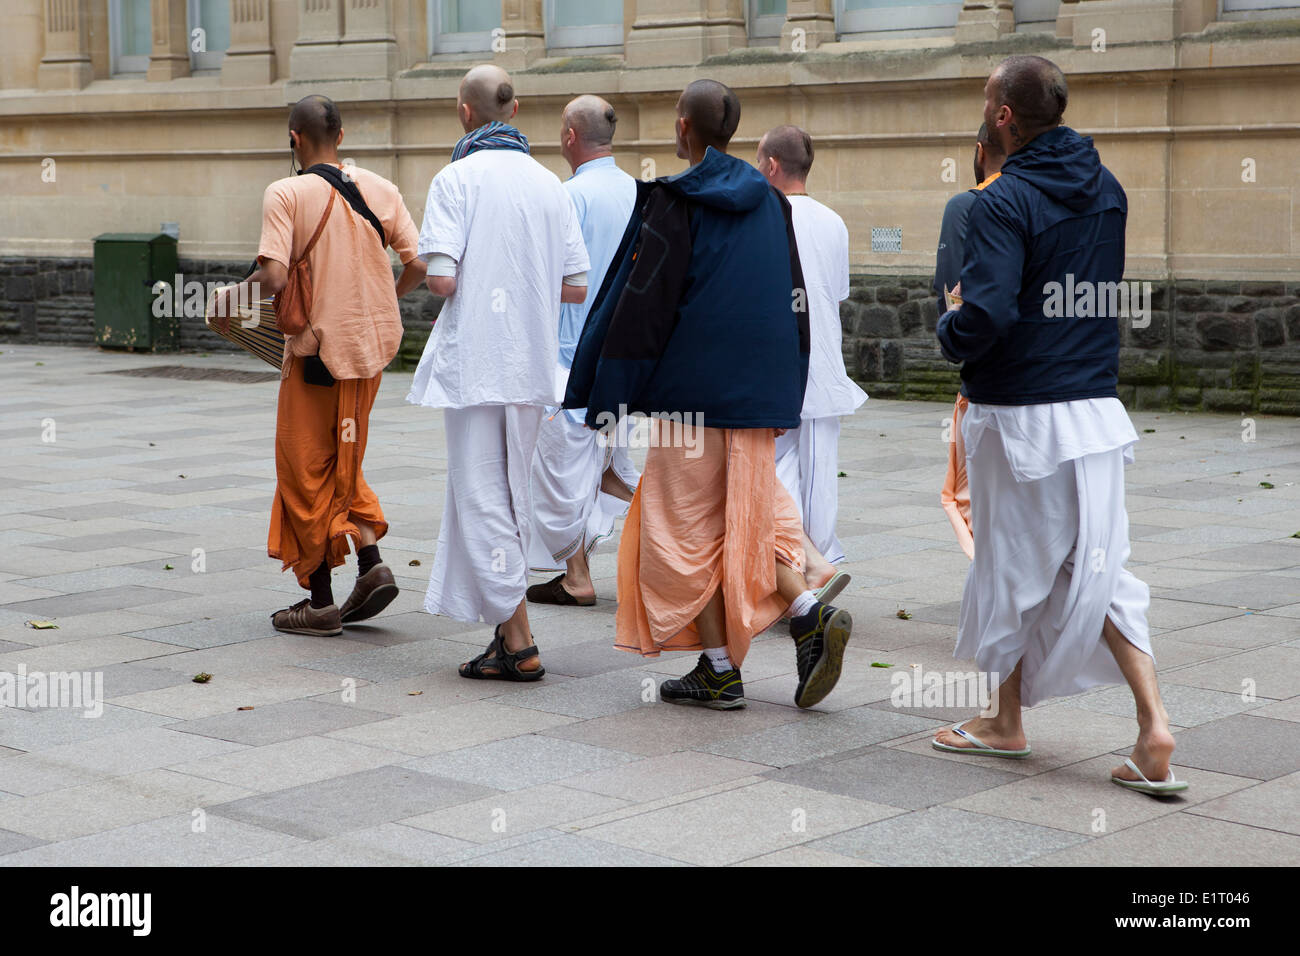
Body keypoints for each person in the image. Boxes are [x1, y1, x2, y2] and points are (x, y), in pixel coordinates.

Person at [932, 55, 1186, 796]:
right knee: (1099, 566)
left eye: (987, 99)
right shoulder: (1107, 188)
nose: (984, 109)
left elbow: (989, 313)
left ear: (1004, 116)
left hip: (1020, 415)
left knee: (1009, 565)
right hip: (1095, 410)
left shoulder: (1000, 200)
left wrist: (951, 324)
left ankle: (1004, 721)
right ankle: (1154, 726)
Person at [564, 79, 852, 711]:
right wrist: (785, 394)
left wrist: (607, 393)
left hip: (688, 402)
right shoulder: (772, 203)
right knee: (742, 520)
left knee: (682, 532)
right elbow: (794, 303)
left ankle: (725, 667)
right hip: (753, 396)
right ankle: (802, 613)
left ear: (684, 128)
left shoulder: (676, 202)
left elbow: (643, 308)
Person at [211, 95, 425, 637]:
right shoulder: (382, 189)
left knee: (304, 469)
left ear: (293, 138)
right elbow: (419, 264)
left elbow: (276, 279)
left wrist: (230, 297)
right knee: (344, 459)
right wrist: (385, 300)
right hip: (370, 354)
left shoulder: (285, 192)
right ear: (343, 135)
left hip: (314, 358)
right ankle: (371, 562)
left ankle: (322, 601)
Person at [408, 64, 589, 681]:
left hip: (478, 363)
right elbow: (575, 285)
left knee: (482, 493)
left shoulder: (454, 178)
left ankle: (520, 639)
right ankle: (510, 637)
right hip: (533, 363)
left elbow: (441, 279)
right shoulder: (550, 185)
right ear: (514, 112)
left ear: (465, 113)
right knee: (507, 493)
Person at [525, 95, 639, 607]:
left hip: (572, 356)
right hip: (630, 356)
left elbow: (551, 279)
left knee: (558, 467)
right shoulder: (642, 193)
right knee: (610, 466)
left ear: (571, 135)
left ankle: (576, 575)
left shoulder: (568, 196)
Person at [756, 125, 864, 594]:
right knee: (820, 472)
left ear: (773, 166)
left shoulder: (764, 216)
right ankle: (817, 561)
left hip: (779, 365)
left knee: (775, 472)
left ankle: (798, 565)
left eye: (760, 163)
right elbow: (835, 296)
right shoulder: (833, 221)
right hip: (823, 362)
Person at [933, 123, 1006, 561]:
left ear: (981, 152)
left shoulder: (969, 205)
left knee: (972, 506)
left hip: (990, 387)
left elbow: (952, 296)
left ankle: (1003, 619)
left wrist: (952, 341)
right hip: (1068, 394)